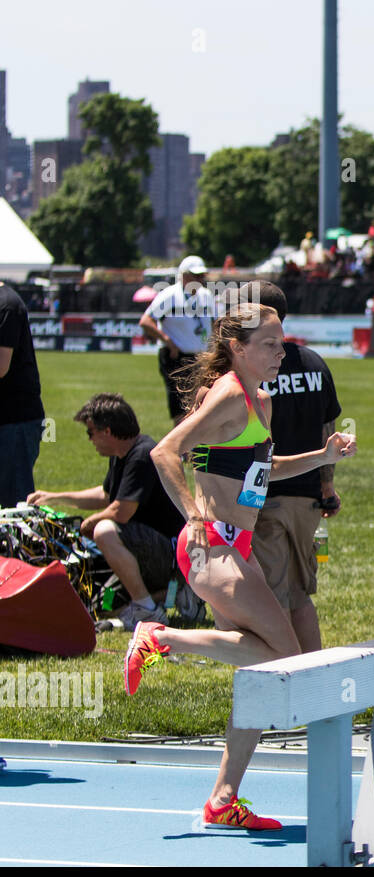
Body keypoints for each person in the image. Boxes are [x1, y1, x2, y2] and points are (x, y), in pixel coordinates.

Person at [126, 303, 356, 830]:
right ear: (239, 348)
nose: (281, 353)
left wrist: (322, 457)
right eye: (271, 344)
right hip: (212, 547)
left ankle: (223, 799)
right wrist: (194, 515)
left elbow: (262, 469)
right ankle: (161, 639)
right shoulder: (230, 392)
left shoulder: (261, 399)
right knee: (284, 655)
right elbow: (166, 453)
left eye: (282, 342)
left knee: (258, 674)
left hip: (235, 547)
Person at [228, 281, 343, 657]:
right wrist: (326, 486)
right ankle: (313, 676)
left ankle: (282, 679)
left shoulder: (253, 366)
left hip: (267, 497)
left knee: (271, 598)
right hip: (308, 497)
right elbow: (329, 428)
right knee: (299, 595)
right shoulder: (313, 362)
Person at [27, 394, 184, 629]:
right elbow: (106, 496)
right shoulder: (121, 455)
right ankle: (170, 595)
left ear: (107, 431)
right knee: (104, 603)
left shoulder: (142, 455)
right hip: (148, 554)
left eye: (91, 433)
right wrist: (53, 497)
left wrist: (88, 524)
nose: (90, 440)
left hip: (169, 557)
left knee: (104, 531)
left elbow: (121, 511)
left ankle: (147, 609)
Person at [138, 255, 217, 426]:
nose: (199, 280)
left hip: (201, 357)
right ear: (183, 275)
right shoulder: (169, 295)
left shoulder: (206, 296)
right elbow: (146, 321)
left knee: (202, 405)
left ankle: (195, 448)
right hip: (177, 358)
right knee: (181, 408)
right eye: (195, 276)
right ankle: (182, 450)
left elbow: (215, 323)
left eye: (201, 276)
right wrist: (168, 342)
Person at [0, 281, 44, 509]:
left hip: (15, 421)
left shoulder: (6, 305)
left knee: (14, 504)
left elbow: (1, 366)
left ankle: (22, 547)